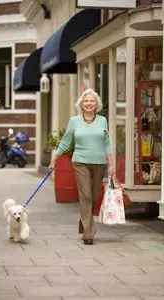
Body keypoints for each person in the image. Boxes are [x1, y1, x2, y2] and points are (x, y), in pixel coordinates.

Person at [49, 88, 114, 245]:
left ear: (96, 104)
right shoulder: (74, 121)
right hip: (80, 161)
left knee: (93, 195)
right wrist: (54, 159)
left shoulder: (102, 121)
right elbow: (65, 141)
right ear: (81, 104)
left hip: (99, 162)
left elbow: (107, 142)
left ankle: (84, 222)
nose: (89, 103)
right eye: (86, 101)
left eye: (92, 101)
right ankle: (88, 233)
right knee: (85, 195)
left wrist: (111, 164)